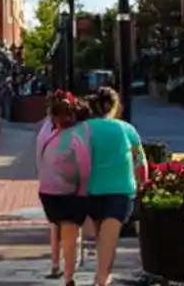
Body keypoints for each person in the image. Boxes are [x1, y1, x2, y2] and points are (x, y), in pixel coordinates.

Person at [84, 87, 148, 285]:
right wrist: (143, 183)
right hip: (120, 190)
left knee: (101, 238)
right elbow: (140, 161)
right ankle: (102, 278)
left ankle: (103, 275)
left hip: (90, 190)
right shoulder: (126, 129)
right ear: (114, 106)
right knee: (109, 239)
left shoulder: (83, 129)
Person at [37, 90, 92, 286]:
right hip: (69, 191)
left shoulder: (45, 131)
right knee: (71, 235)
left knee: (56, 227)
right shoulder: (77, 134)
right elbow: (85, 167)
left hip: (47, 191)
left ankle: (55, 263)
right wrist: (84, 191)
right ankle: (69, 276)